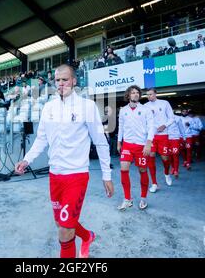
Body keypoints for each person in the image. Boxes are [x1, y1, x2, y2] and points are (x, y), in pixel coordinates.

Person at [15, 64, 114, 259]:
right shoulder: (49, 108)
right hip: (55, 176)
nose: (61, 84)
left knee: (65, 231)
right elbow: (41, 139)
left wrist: (107, 175)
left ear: (74, 81)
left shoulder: (87, 106)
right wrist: (26, 160)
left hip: (76, 175)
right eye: (58, 80)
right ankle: (87, 237)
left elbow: (101, 143)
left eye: (65, 79)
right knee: (62, 223)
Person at [117, 85, 154, 211]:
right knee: (123, 169)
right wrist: (118, 142)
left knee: (143, 171)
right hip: (127, 144)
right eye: (133, 93)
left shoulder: (146, 110)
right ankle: (127, 199)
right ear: (128, 95)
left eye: (137, 92)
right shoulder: (123, 110)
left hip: (141, 145)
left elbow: (151, 127)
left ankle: (143, 198)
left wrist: (148, 143)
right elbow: (121, 126)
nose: (135, 94)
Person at [144, 88, 175, 192]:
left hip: (163, 135)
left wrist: (165, 125)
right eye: (147, 95)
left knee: (165, 158)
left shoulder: (164, 103)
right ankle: (154, 183)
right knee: (151, 156)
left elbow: (171, 118)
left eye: (151, 94)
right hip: (151, 137)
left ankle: (167, 174)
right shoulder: (145, 106)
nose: (149, 97)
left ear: (155, 94)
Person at [167, 114, 185, 179]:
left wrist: (184, 138)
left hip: (175, 139)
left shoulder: (177, 118)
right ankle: (173, 167)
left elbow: (181, 128)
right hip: (166, 139)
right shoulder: (163, 117)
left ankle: (176, 170)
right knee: (169, 156)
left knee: (175, 154)